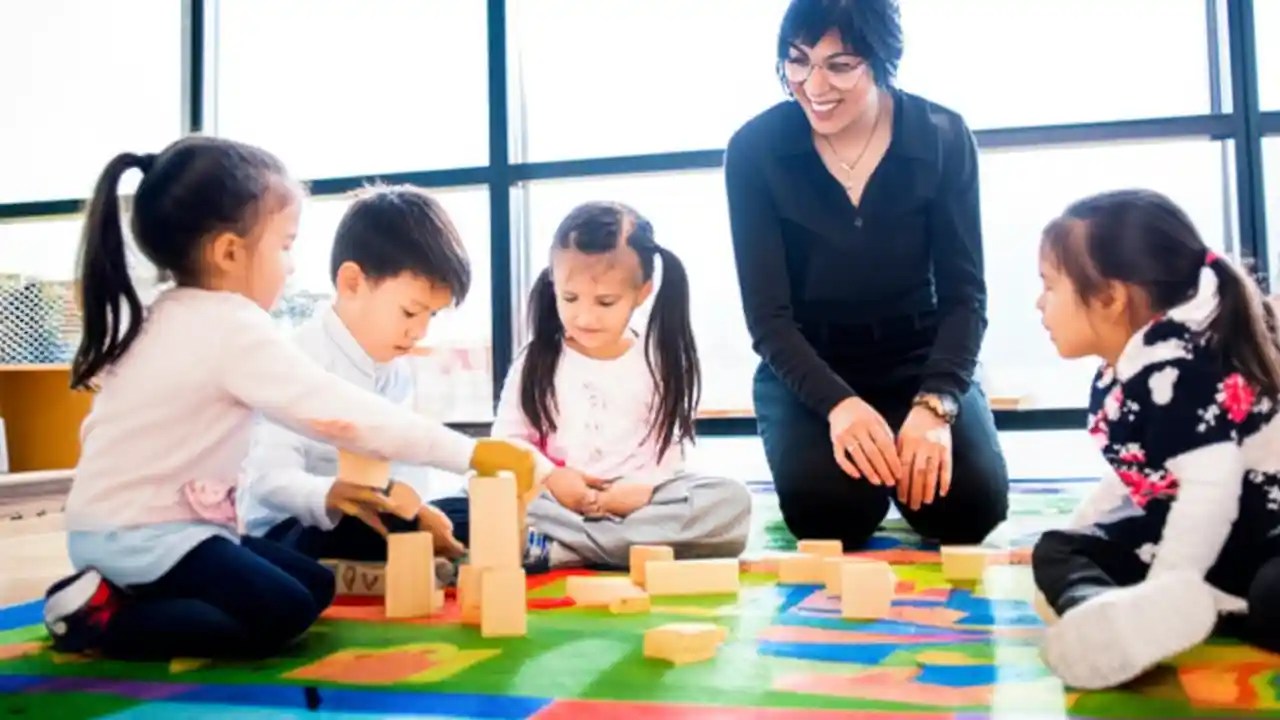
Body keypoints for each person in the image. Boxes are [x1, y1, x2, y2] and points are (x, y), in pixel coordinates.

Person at [42, 137, 552, 661]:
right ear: (229, 252)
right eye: (285, 245)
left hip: (153, 529)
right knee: (281, 614)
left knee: (314, 588)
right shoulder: (229, 325)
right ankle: (98, 616)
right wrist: (468, 453)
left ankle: (123, 592)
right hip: (142, 535)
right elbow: (340, 415)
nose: (290, 266)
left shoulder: (170, 313)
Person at [724, 0, 1009, 549]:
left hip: (920, 362)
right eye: (798, 60)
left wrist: (938, 403)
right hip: (810, 370)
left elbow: (964, 297)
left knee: (967, 510)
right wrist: (840, 406)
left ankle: (927, 432)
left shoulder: (942, 137)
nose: (814, 85)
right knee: (832, 516)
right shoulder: (754, 150)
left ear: (881, 60)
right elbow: (768, 318)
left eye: (840, 65)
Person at [1031, 189, 1280, 689]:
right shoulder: (1127, 370)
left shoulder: (1180, 374)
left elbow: (1211, 491)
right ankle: (1100, 617)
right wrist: (1085, 530)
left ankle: (1191, 607)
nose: (1039, 303)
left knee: (1273, 597)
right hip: (1203, 544)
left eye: (1050, 286)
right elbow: (1136, 474)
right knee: (1058, 549)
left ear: (1110, 296)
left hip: (1262, 537)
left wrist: (1169, 581)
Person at [239, 183, 553, 573]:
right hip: (295, 528)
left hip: (380, 512)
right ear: (352, 283)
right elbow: (267, 482)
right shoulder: (295, 361)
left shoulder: (396, 372)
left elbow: (404, 471)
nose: (420, 331)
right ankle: (409, 556)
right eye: (410, 312)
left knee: (473, 509)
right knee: (370, 524)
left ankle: (418, 553)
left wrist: (417, 509)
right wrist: (339, 495)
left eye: (431, 316)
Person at [492, 201, 752, 569]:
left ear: (642, 293)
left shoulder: (657, 358)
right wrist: (551, 476)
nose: (584, 316)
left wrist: (642, 487)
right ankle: (618, 550)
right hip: (556, 503)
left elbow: (671, 447)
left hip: (639, 505)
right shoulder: (536, 359)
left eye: (605, 302)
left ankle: (569, 552)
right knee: (483, 494)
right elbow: (506, 441)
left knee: (729, 500)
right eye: (569, 298)